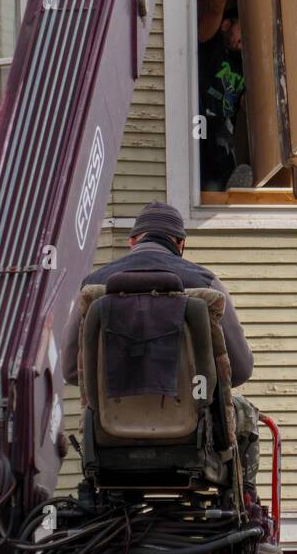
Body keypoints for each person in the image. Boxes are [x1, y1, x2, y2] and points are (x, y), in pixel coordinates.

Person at [60, 203, 262, 497]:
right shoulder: (205, 284)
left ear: (133, 241)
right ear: (180, 244)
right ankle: (246, 502)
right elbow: (240, 370)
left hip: (111, 438)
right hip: (192, 439)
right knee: (244, 411)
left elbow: (69, 371)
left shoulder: (92, 287)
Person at [198, 0, 252, 191]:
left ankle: (227, 190)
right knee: (214, 138)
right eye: (243, 27)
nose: (245, 39)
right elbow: (215, 5)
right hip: (199, 119)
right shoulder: (212, 42)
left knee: (223, 154)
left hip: (224, 130)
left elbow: (243, 104)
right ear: (226, 25)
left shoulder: (245, 65)